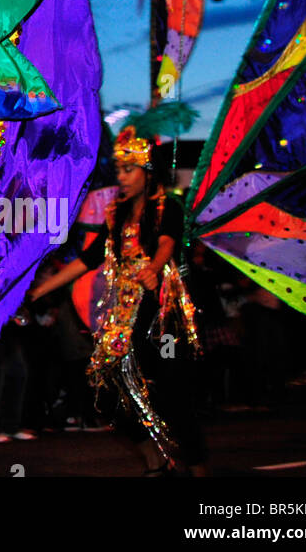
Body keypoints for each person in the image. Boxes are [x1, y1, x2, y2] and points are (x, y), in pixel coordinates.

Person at [29, 126, 206, 475]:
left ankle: (199, 472)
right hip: (123, 315)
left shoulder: (169, 205)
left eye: (129, 170)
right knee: (107, 391)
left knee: (172, 399)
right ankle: (154, 460)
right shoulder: (117, 214)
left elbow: (168, 243)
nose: (121, 178)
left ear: (147, 171)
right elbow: (87, 259)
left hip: (162, 314)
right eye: (119, 170)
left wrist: (154, 267)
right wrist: (40, 290)